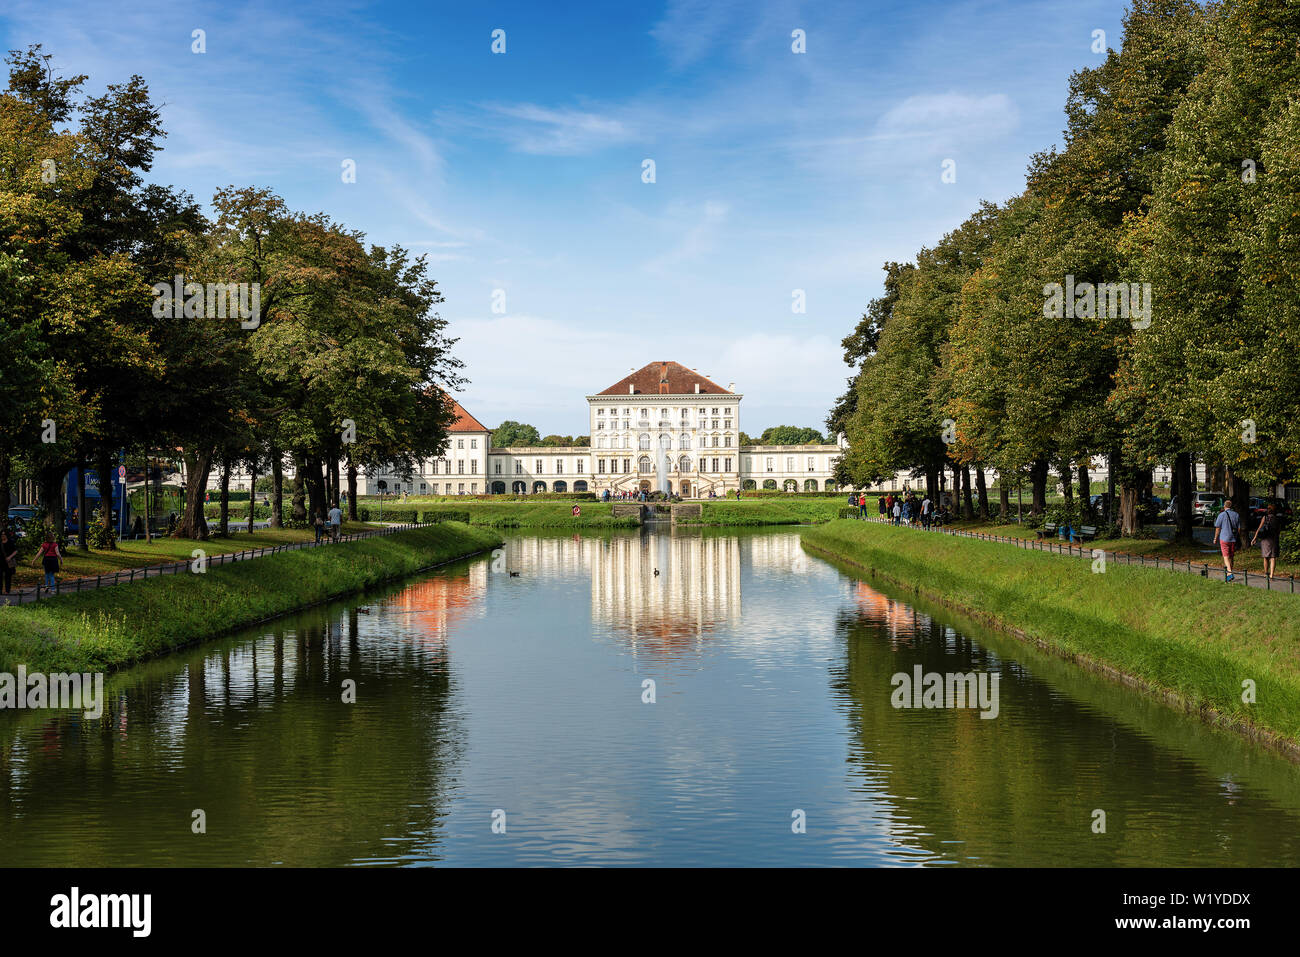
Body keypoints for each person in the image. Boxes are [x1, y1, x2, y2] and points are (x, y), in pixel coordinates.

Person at [1213, 498, 1241, 582]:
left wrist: (1215, 538)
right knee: (1231, 556)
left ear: (1224, 506)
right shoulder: (1236, 514)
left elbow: (1218, 528)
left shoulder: (1221, 515)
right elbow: (1239, 528)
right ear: (1231, 506)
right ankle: (1229, 576)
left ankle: (1229, 573)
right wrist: (1236, 536)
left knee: (1225, 556)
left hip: (1224, 538)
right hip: (1233, 539)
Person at [1250, 503, 1281, 580]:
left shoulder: (1265, 518)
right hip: (1274, 539)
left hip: (1265, 540)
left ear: (1268, 510)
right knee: (1273, 558)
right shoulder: (1277, 519)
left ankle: (1266, 573)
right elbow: (1279, 530)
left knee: (1265, 557)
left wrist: (1254, 538)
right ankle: (1271, 575)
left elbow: (1259, 528)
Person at [32, 529, 62, 594]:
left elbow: (39, 553)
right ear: (53, 537)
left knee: (46, 574)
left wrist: (34, 560)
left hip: (46, 560)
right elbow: (57, 553)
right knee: (51, 575)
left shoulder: (44, 544)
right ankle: (53, 589)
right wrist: (61, 560)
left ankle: (46, 586)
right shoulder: (55, 544)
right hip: (53, 560)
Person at [1, 527, 17, 594]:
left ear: (6, 535)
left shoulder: (10, 542)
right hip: (1, 562)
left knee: (8, 577)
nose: (3, 536)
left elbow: (15, 551)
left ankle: (7, 590)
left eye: (4, 534)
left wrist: (10, 557)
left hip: (8, 562)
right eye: (1, 535)